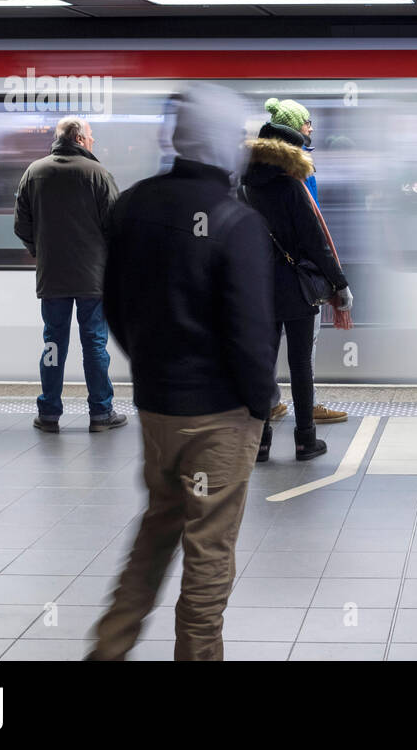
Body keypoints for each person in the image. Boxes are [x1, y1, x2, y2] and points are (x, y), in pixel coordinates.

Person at [88, 83, 276, 662]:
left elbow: (113, 303)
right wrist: (260, 404)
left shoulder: (133, 204)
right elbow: (251, 333)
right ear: (225, 142)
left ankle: (109, 647)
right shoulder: (236, 219)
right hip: (218, 416)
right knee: (208, 553)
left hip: (157, 407)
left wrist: (149, 367)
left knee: (157, 529)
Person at [241, 108, 353, 462]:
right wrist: (340, 284)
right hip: (295, 289)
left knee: (262, 366)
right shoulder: (291, 188)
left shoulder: (241, 188)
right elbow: (316, 241)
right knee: (301, 365)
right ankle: (305, 440)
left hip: (256, 291)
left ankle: (259, 442)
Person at [14, 116, 126, 434]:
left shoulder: (34, 172)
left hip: (52, 276)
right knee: (94, 343)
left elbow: (21, 224)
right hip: (93, 276)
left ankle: (49, 412)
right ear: (79, 138)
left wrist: (42, 250)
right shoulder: (98, 173)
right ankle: (101, 413)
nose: (93, 141)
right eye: (90, 136)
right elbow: (114, 225)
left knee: (53, 342)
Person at [262, 98, 348, 428]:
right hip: (297, 277)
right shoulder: (298, 170)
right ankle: (306, 426)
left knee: (266, 349)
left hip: (263, 276)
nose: (311, 128)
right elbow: (313, 229)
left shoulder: (252, 173)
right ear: (294, 128)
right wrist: (337, 280)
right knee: (302, 355)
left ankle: (267, 411)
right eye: (307, 122)